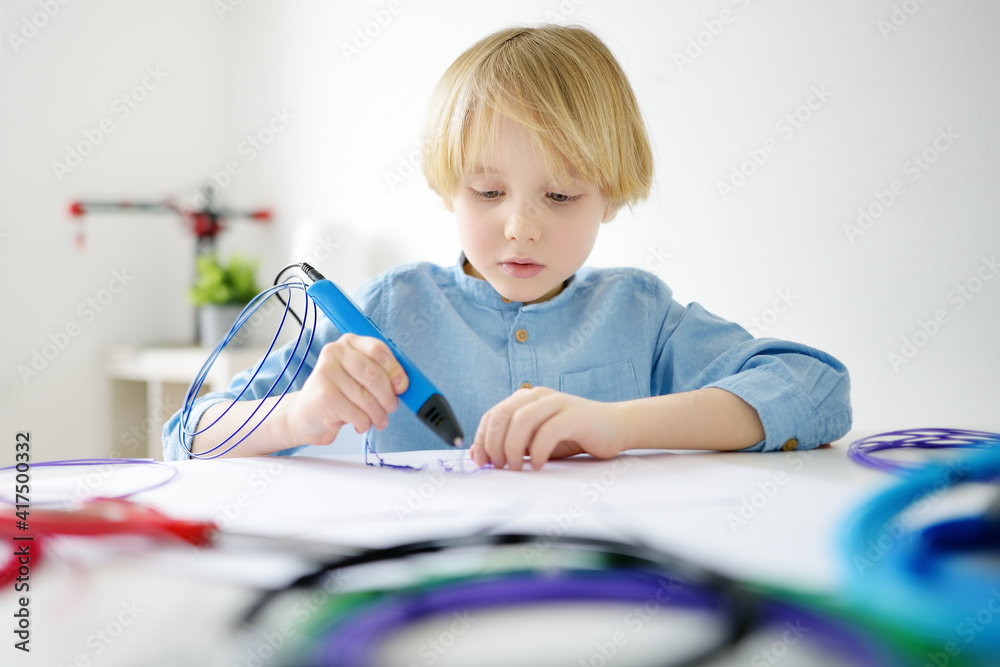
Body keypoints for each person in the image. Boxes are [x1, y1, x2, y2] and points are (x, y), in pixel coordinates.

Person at [163, 25, 851, 469]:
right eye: (488, 193)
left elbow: (818, 391)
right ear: (446, 189)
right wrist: (301, 412)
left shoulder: (640, 314)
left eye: (560, 196)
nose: (520, 226)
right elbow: (186, 433)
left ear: (610, 193)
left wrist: (618, 423)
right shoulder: (388, 308)